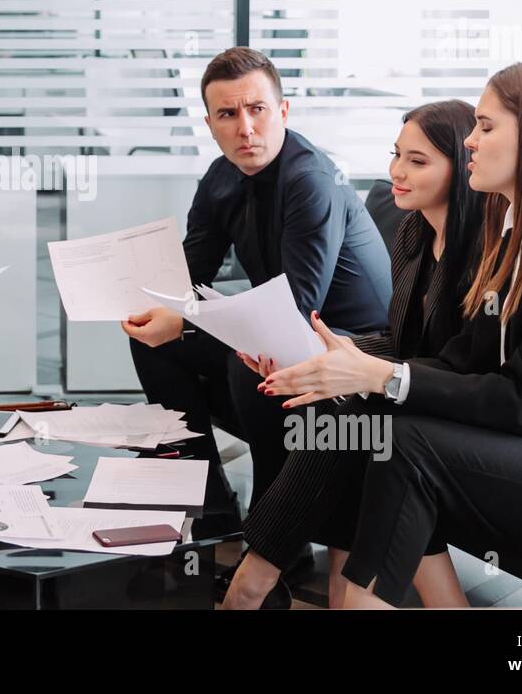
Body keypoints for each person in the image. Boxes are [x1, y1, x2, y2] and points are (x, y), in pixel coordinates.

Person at [246, 62, 522, 607]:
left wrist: (381, 375)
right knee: (381, 420)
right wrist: (340, 366)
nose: (472, 142)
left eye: (485, 126)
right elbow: (461, 362)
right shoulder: (513, 232)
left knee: (403, 437)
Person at [224, 100, 484, 608]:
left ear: (461, 165)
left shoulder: (484, 250)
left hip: (465, 401)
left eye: (417, 161)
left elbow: (464, 363)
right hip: (415, 380)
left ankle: (253, 580)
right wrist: (328, 354)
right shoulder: (415, 232)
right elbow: (401, 339)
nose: (396, 173)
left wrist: (358, 367)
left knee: (355, 407)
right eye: (396, 155)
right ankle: (307, 579)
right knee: (321, 391)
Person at [122, 47, 392, 516]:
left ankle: (276, 535)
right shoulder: (221, 176)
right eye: (227, 114)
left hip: (355, 345)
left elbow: (299, 310)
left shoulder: (311, 181)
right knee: (151, 338)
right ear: (209, 123)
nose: (245, 128)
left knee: (247, 364)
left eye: (257, 109)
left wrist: (185, 324)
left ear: (282, 111)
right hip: (289, 326)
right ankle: (208, 505)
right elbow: (187, 275)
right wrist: (157, 307)